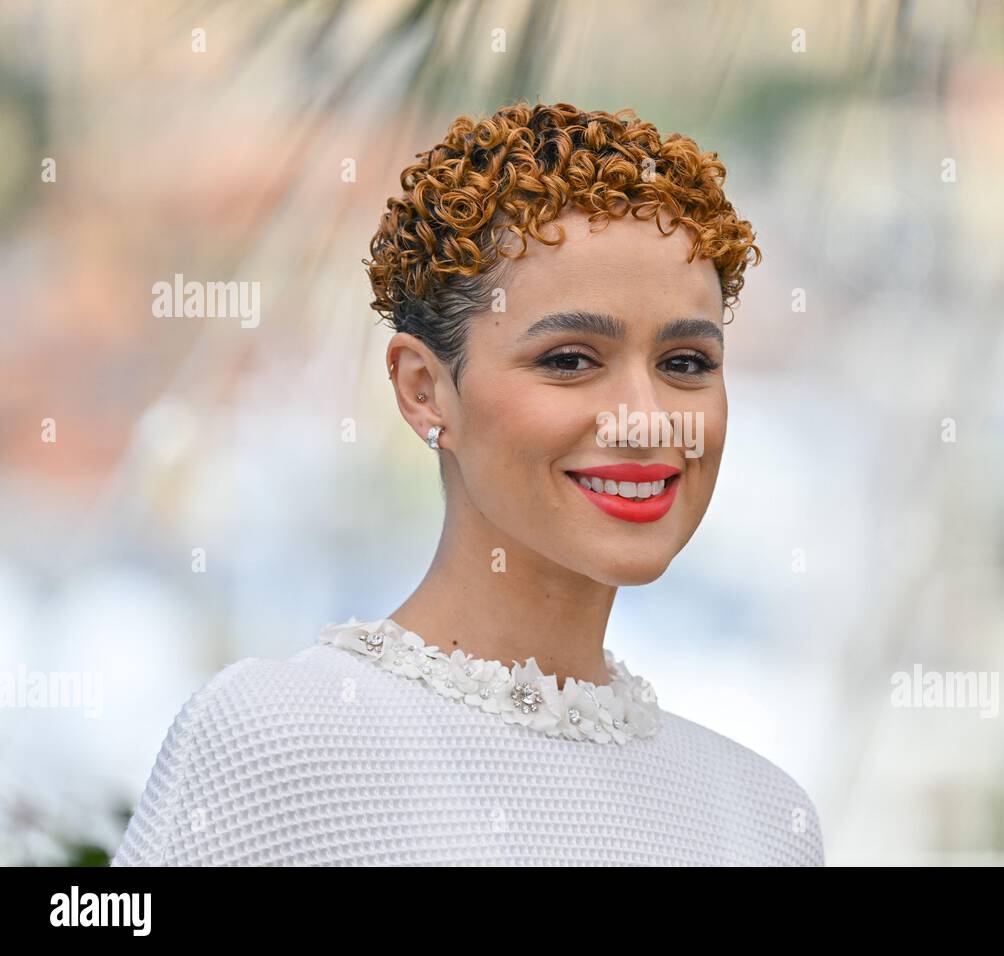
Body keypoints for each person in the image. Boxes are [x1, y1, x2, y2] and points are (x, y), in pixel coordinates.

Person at [112, 101, 823, 866]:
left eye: (684, 364)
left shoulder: (763, 817)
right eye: (570, 360)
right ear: (424, 389)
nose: (646, 422)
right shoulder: (276, 745)